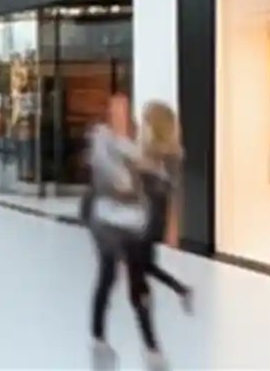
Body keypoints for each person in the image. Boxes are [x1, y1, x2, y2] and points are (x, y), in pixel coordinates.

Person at [87, 94, 162, 367]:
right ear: (109, 113)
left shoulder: (132, 142)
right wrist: (129, 175)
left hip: (133, 223)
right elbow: (111, 172)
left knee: (138, 282)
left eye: (124, 109)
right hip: (107, 222)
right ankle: (98, 335)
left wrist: (151, 169)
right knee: (108, 277)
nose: (120, 114)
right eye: (115, 109)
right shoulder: (102, 138)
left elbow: (149, 168)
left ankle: (151, 346)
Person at [139, 100, 193, 313]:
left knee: (141, 263)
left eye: (146, 121)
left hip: (150, 215)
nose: (143, 126)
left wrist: (172, 227)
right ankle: (180, 290)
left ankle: (147, 307)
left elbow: (172, 191)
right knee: (144, 264)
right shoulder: (152, 152)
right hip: (146, 212)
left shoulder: (164, 156)